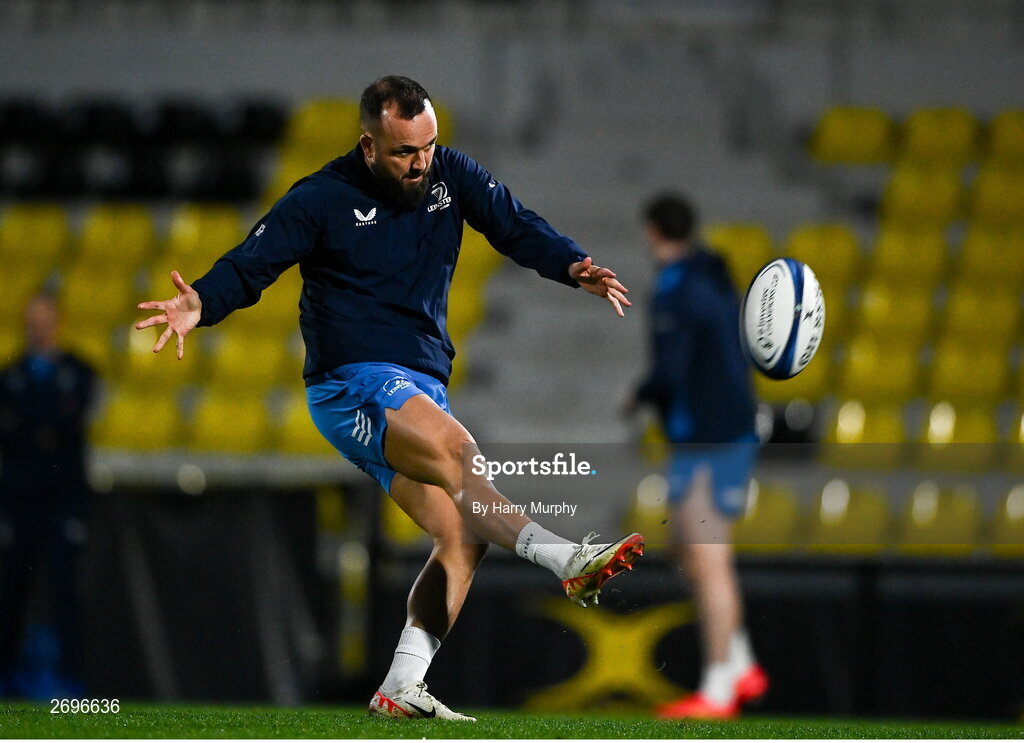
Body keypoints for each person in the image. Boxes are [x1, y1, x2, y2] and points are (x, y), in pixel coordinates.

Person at [135, 75, 644, 721]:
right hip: (353, 382)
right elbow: (250, 264)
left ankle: (400, 685)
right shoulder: (321, 197)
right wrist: (201, 302)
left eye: (428, 145)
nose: (421, 162)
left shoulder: (448, 175)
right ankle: (567, 557)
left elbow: (515, 225)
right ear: (368, 145)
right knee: (461, 454)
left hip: (417, 383)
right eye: (405, 151)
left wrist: (572, 265)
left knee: (461, 534)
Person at [623, 194, 768, 720]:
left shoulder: (677, 287)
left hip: (711, 438)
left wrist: (639, 396)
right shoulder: (711, 275)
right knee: (684, 547)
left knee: (708, 560)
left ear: (652, 229)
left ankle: (717, 689)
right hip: (716, 433)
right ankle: (742, 662)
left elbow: (672, 370)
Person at [0, 293, 97, 699]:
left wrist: (32, 424)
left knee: (65, 592)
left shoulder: (79, 371)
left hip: (61, 500)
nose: (37, 328)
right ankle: (7, 674)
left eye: (44, 320)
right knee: (10, 593)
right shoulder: (12, 375)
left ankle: (70, 680)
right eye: (31, 321)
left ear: (58, 322)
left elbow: (66, 425)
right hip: (19, 500)